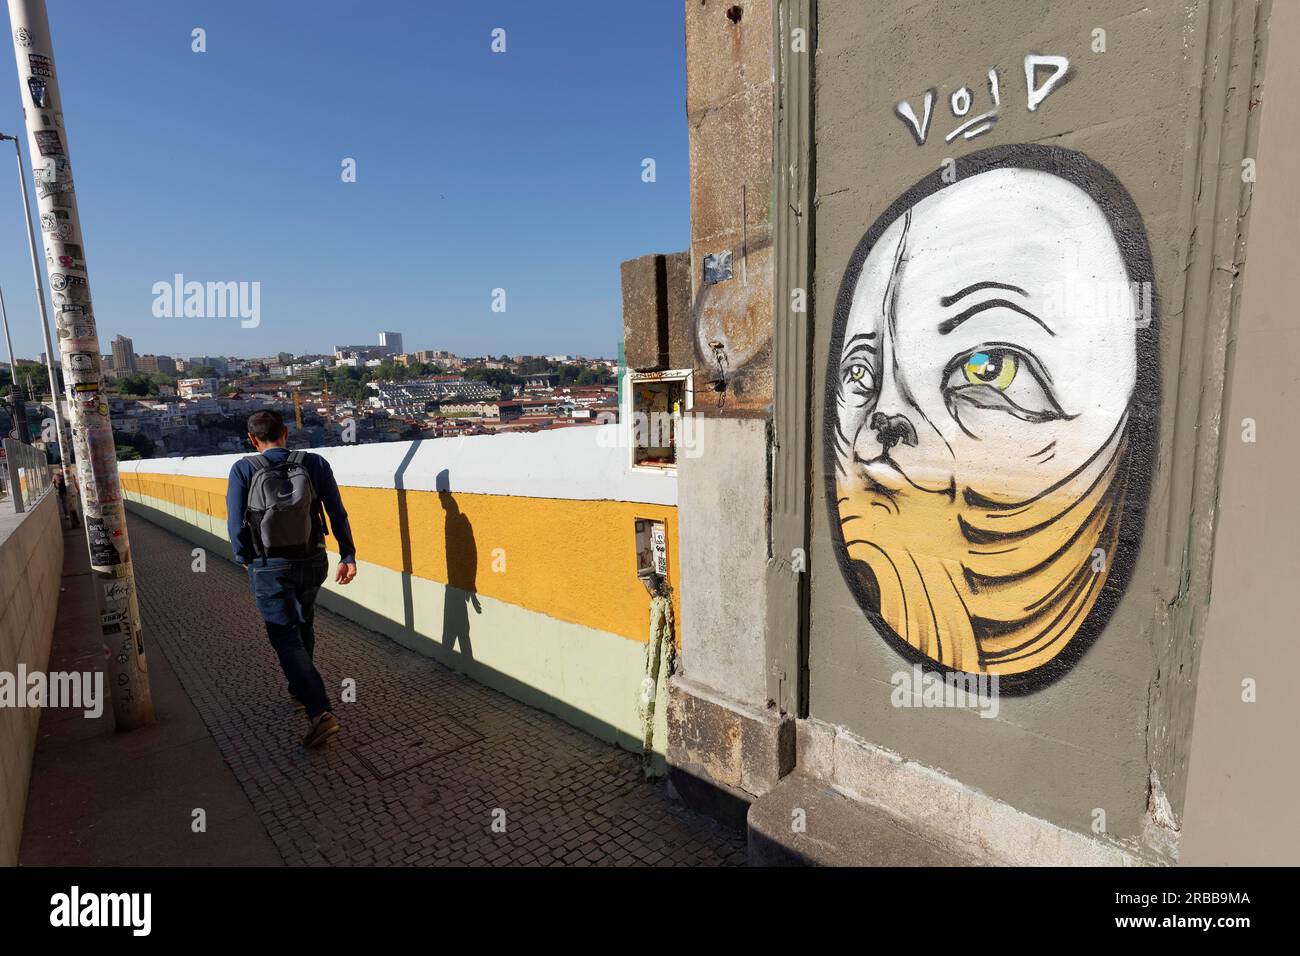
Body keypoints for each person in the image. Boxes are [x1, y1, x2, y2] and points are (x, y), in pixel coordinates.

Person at [227, 410, 357, 748]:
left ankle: (319, 711)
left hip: (269, 564)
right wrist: (347, 555)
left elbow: (235, 523)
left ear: (253, 439)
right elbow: (336, 511)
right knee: (304, 623)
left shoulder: (244, 468)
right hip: (313, 558)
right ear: (286, 433)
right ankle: (300, 690)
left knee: (285, 636)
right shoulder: (314, 463)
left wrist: (244, 559)